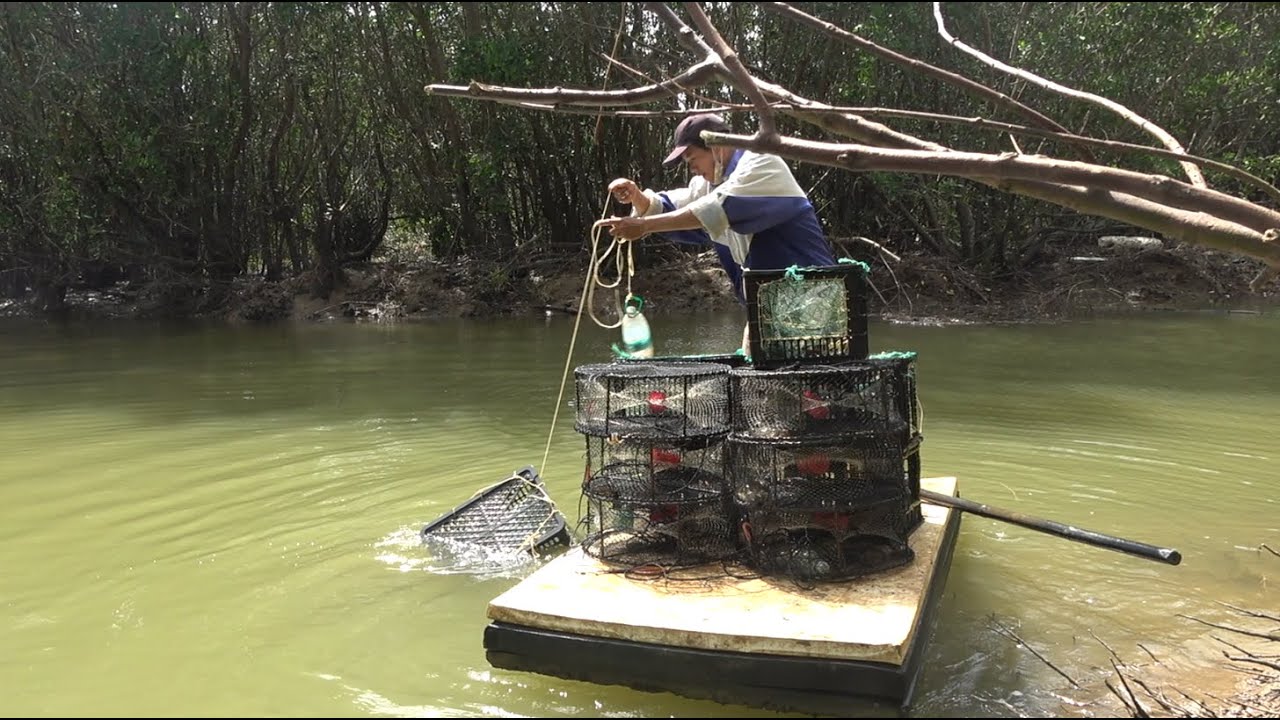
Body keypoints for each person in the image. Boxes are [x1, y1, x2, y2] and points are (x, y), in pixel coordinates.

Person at [601, 112, 836, 310]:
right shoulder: (714, 184)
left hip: (813, 300)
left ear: (717, 147)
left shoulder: (761, 163)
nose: (692, 168)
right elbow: (670, 207)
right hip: (770, 309)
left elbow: (714, 209)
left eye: (693, 158)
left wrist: (643, 227)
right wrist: (637, 197)